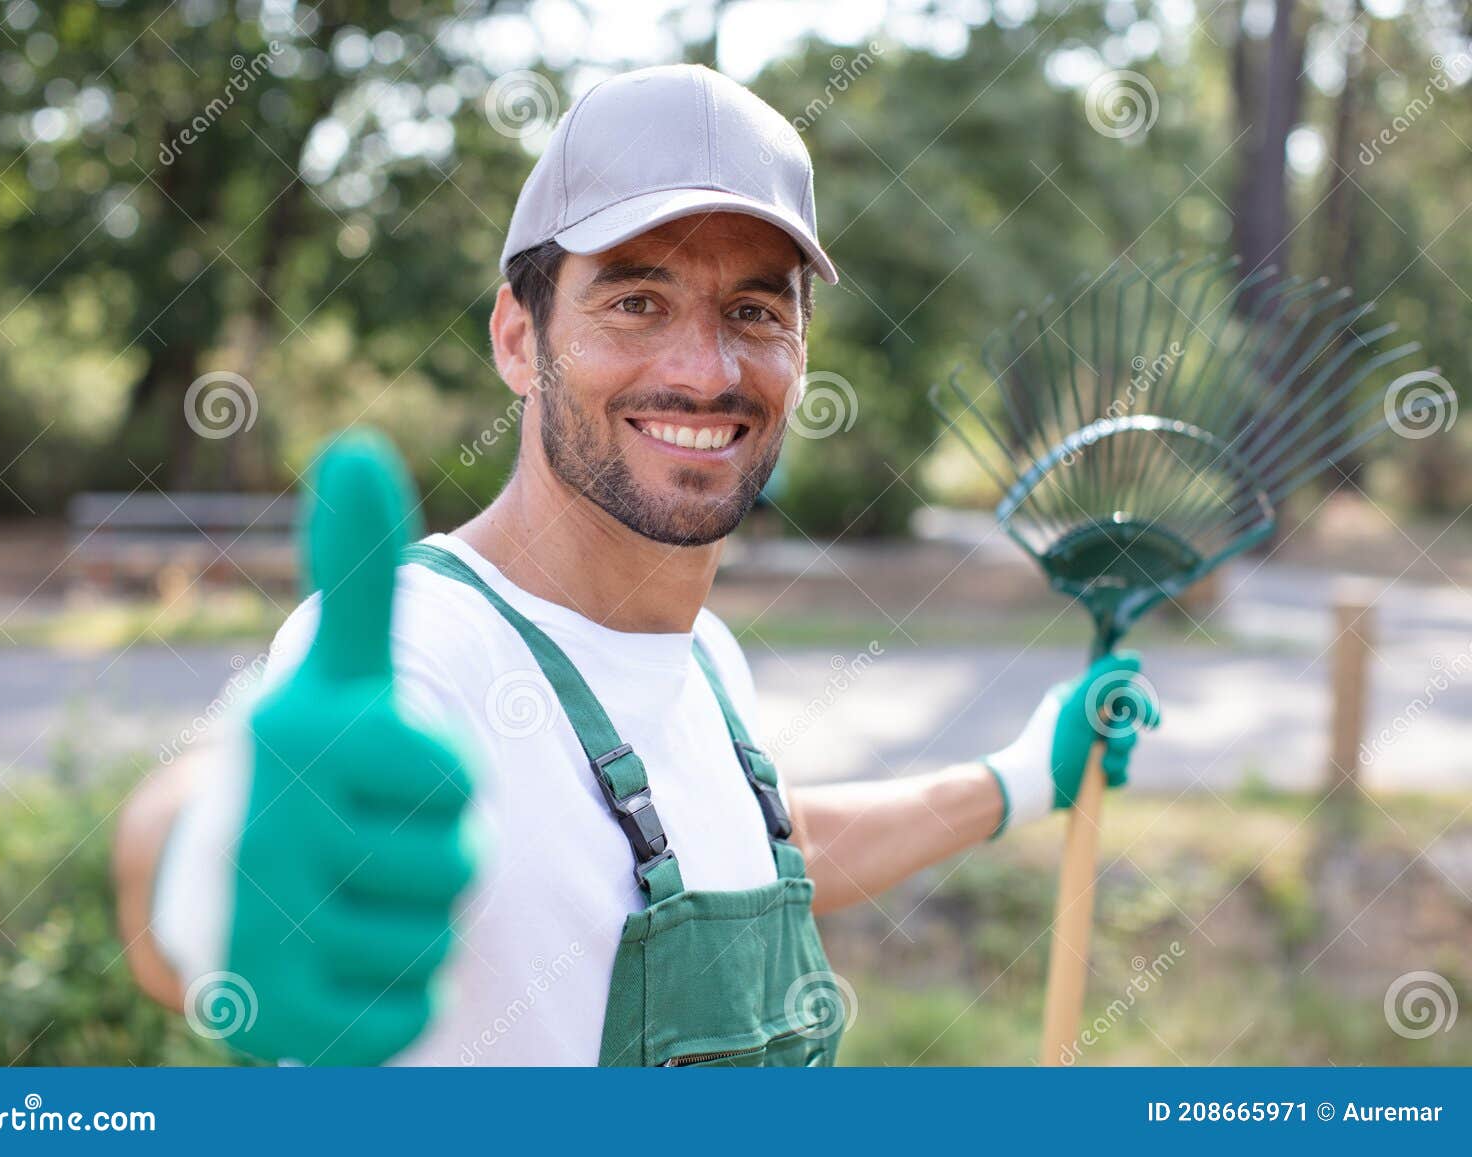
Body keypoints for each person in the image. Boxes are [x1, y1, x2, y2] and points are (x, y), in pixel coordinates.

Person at [112, 63, 1158, 1067]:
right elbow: (239, 818)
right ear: (519, 339)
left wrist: (1022, 777)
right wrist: (203, 882)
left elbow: (765, 841)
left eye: (754, 310)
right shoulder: (426, 647)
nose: (704, 370)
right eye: (635, 302)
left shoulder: (705, 658)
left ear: (800, 353)